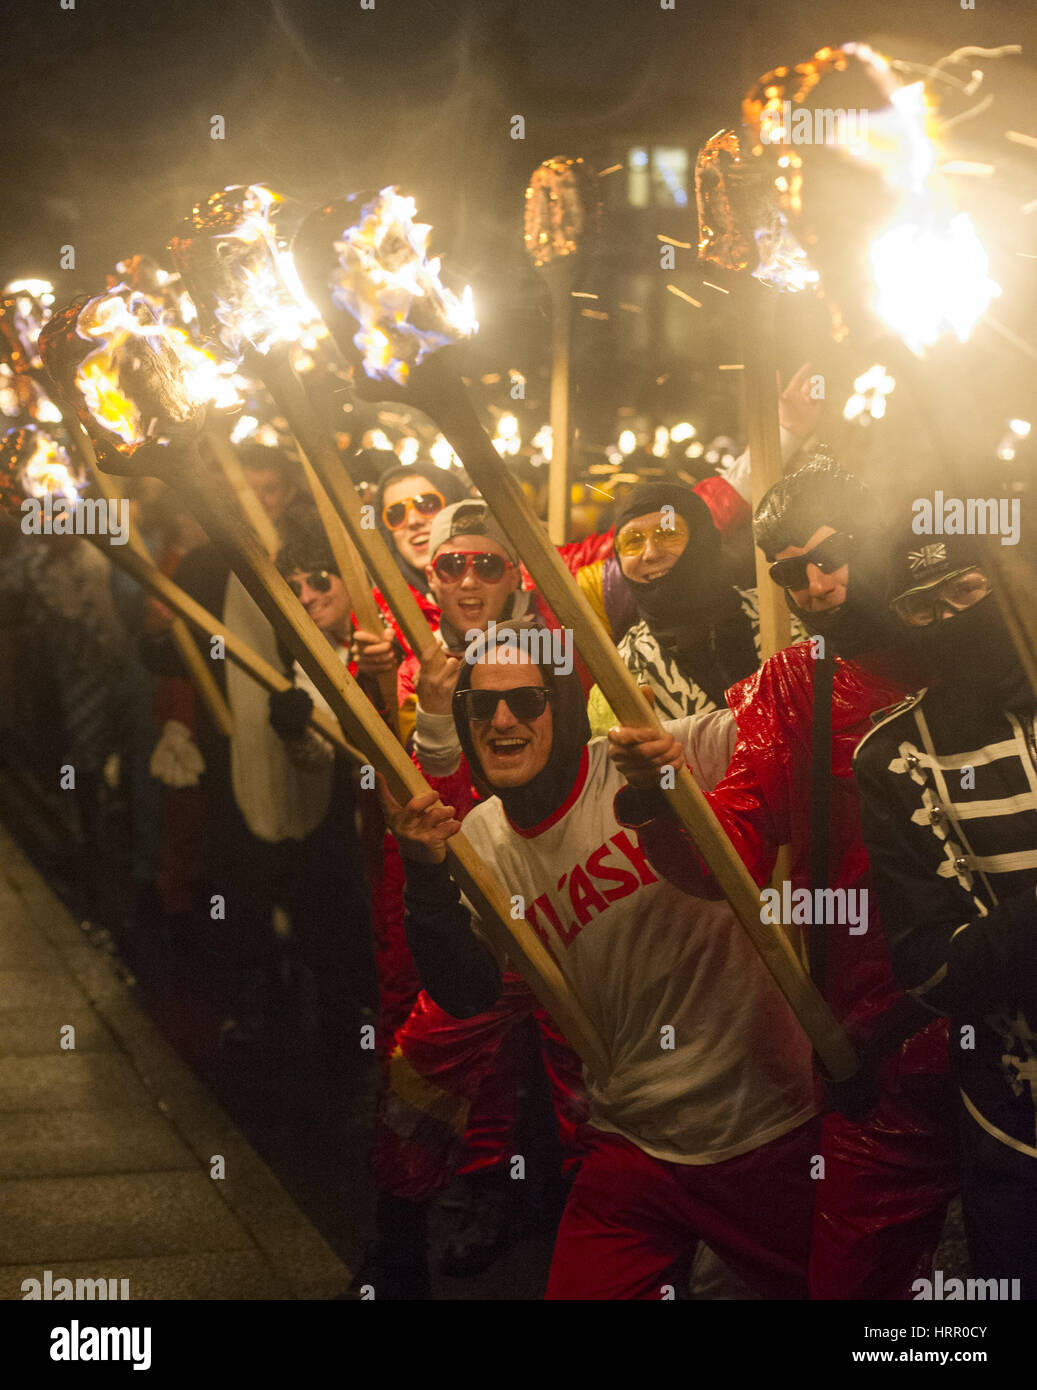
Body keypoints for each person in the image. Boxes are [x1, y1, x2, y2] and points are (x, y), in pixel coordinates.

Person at [606, 456, 958, 1300]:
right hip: (877, 1051)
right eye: (791, 573)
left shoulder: (985, 644)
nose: (817, 586)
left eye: (832, 557)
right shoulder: (792, 688)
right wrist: (667, 803)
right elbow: (722, 851)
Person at [378, 628, 819, 1300]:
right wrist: (424, 878)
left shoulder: (658, 750)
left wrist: (678, 781)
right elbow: (465, 992)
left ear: (561, 702)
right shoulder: (480, 845)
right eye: (481, 706)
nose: (501, 722)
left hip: (765, 1128)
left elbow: (793, 729)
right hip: (632, 1141)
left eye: (526, 702)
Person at [357, 502, 590, 1294]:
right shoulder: (410, 653)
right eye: (450, 565)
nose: (467, 579)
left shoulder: (560, 644)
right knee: (428, 1056)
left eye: (486, 564)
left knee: (590, 1072)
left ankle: (587, 1228)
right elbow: (426, 799)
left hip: (567, 886)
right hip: (469, 893)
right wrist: (410, 697)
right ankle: (397, 1239)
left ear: (517, 572)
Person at [854, 525, 1037, 1299]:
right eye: (921, 608)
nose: (948, 619)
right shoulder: (893, 756)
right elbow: (929, 967)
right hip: (1015, 1111)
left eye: (966, 591)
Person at [586, 480, 760, 735]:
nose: (650, 553)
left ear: (703, 541)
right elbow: (612, 766)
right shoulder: (619, 674)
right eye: (633, 541)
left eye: (668, 534)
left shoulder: (782, 617)